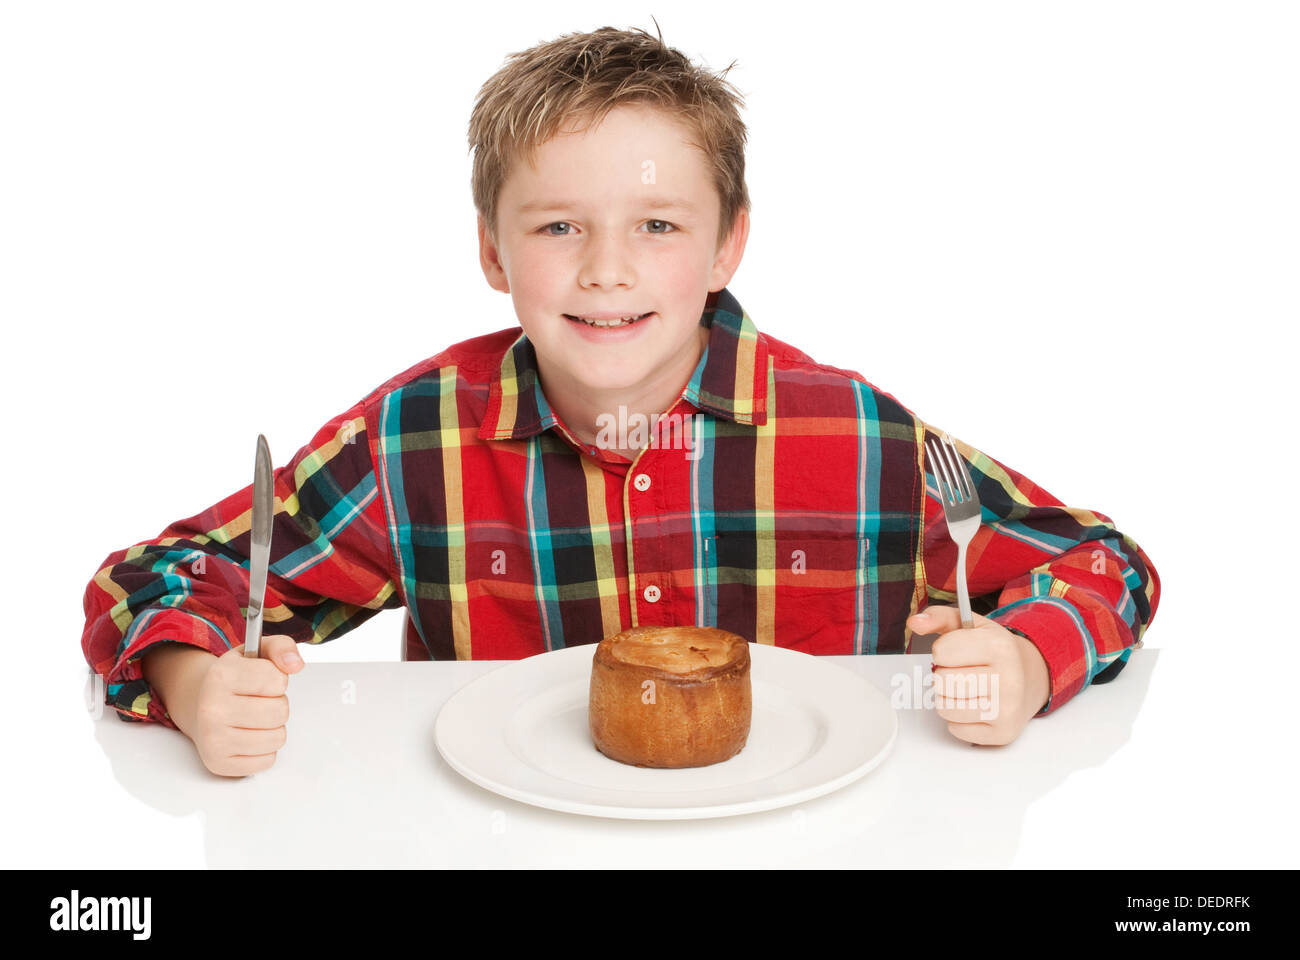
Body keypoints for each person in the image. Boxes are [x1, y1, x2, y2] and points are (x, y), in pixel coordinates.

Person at [81, 24, 1160, 777]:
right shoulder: (417, 440)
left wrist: (1022, 660)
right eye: (557, 226)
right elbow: (163, 575)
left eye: (657, 225)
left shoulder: (856, 437)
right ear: (492, 252)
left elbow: (1101, 559)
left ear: (728, 243)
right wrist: (190, 679)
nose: (606, 270)